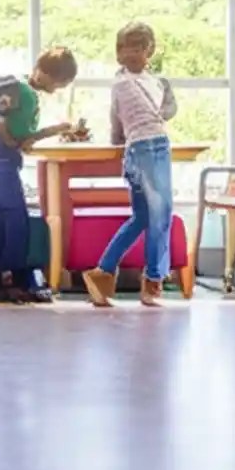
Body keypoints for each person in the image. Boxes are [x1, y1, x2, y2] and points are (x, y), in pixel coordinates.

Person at [82, 21, 177, 308]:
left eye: (140, 48)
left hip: (142, 148)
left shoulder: (153, 82)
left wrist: (118, 141)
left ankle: (103, 272)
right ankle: (153, 280)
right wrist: (118, 140)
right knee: (162, 215)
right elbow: (122, 119)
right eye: (127, 48)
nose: (133, 53)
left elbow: (160, 110)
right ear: (118, 53)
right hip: (149, 148)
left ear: (150, 51)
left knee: (144, 218)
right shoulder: (124, 82)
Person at [0, 47, 77, 303]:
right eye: (60, 82)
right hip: (2, 159)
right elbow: (19, 139)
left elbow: (1, 128)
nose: (59, 88)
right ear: (46, 74)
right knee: (16, 219)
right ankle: (16, 280)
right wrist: (57, 129)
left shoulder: (15, 88)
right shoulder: (28, 96)